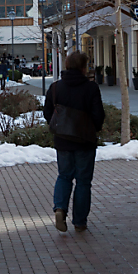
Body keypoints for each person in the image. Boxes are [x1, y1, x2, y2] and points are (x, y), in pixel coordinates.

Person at [43, 51, 105, 233]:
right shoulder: (91, 88)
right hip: (85, 140)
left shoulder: (55, 88)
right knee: (83, 181)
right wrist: (93, 129)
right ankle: (79, 221)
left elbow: (48, 113)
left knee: (64, 175)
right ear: (84, 67)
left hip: (62, 140)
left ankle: (60, 208)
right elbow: (98, 115)